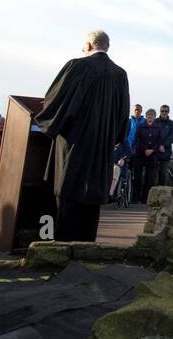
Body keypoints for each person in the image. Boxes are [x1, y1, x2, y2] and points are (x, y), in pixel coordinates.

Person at [36, 29, 130, 241]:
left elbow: (55, 100)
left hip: (74, 141)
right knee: (92, 193)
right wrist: (111, 137)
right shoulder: (120, 74)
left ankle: (63, 244)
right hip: (102, 144)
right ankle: (86, 244)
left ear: (88, 46)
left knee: (69, 189)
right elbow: (123, 113)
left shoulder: (78, 66)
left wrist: (47, 123)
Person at [132, 108, 162, 204]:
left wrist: (152, 149)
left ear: (154, 116)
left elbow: (159, 141)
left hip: (152, 155)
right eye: (148, 115)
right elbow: (137, 139)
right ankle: (135, 198)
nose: (150, 116)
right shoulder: (141, 126)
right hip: (140, 154)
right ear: (146, 116)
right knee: (137, 177)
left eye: (152, 115)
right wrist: (145, 149)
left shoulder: (158, 127)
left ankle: (145, 198)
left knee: (149, 178)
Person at [154, 104, 173, 186]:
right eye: (162, 111)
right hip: (155, 152)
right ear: (160, 112)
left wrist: (163, 145)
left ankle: (162, 195)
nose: (164, 112)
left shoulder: (172, 124)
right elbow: (153, 135)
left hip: (165, 152)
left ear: (168, 112)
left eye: (166, 111)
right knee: (154, 175)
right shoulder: (155, 121)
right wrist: (159, 145)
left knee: (163, 175)